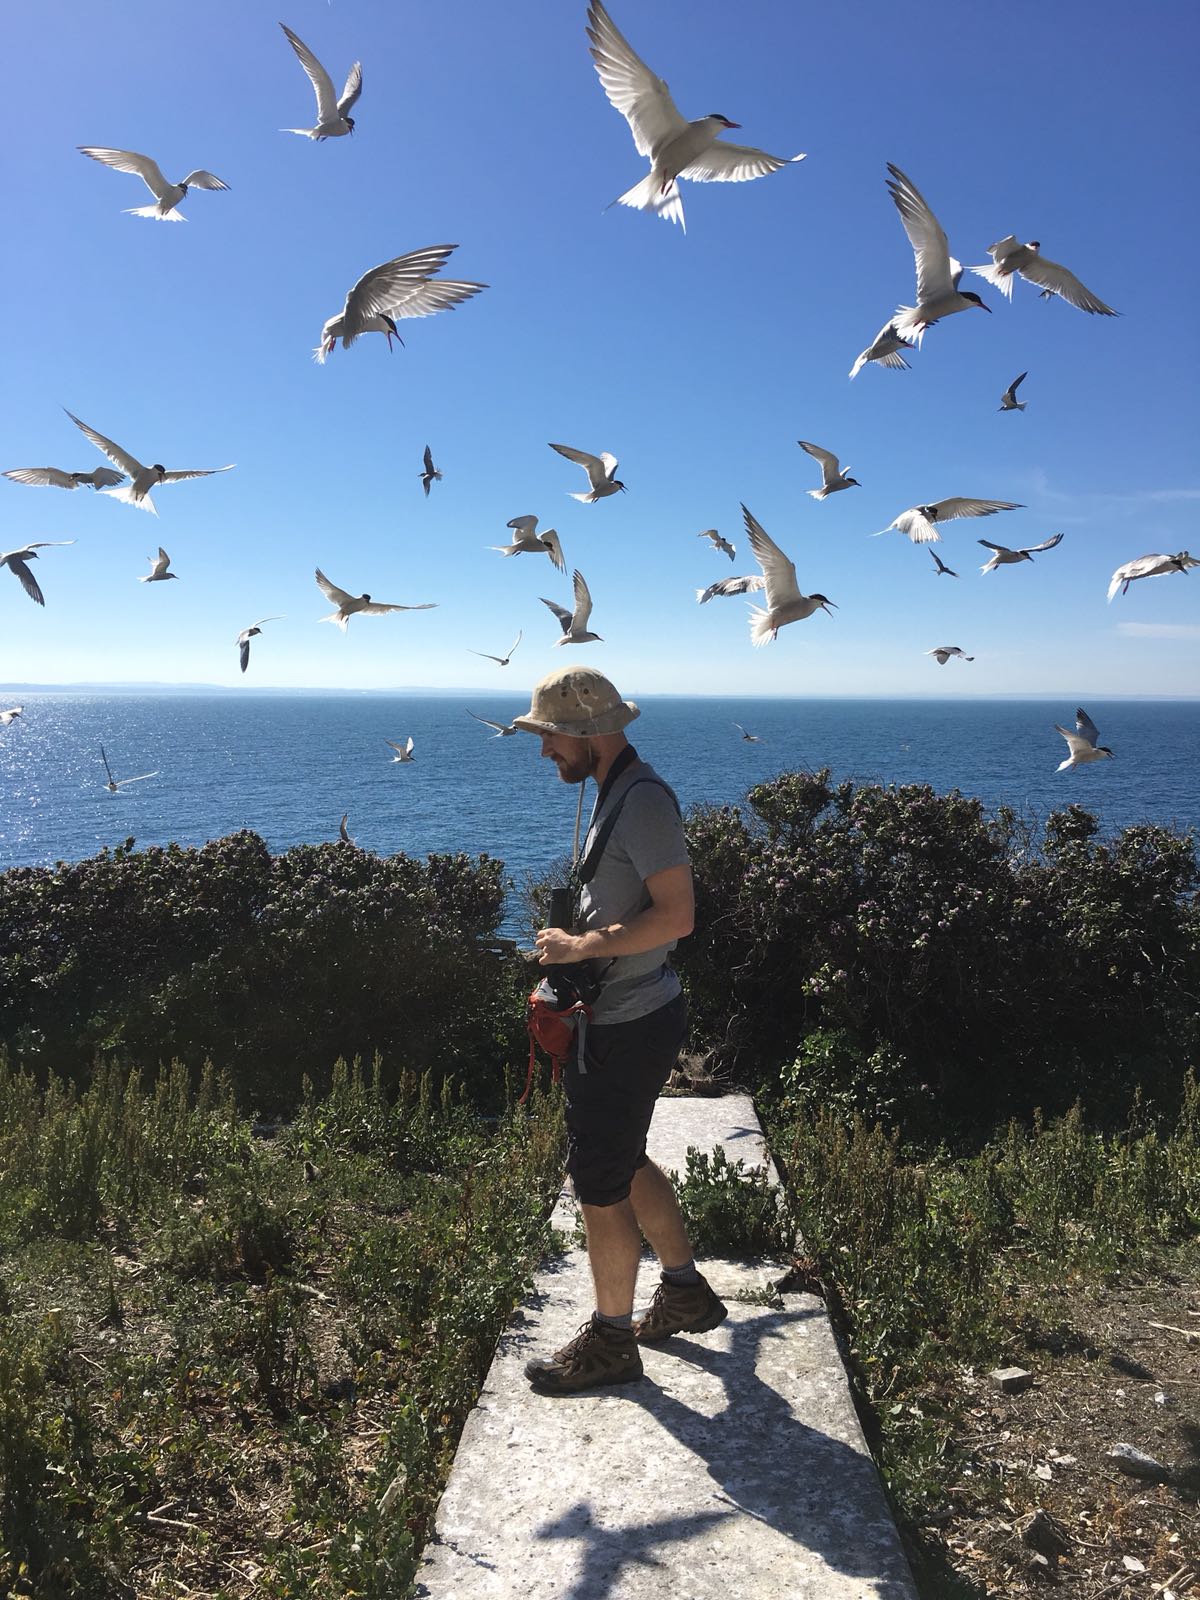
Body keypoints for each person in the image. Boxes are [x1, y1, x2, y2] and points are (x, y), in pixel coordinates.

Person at [512, 664, 727, 1394]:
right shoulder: (616, 790)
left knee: (598, 1181)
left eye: (549, 737)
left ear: (583, 732)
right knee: (622, 1158)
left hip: (629, 1022)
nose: (544, 752)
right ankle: (685, 1292)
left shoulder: (642, 802)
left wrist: (582, 949)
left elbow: (677, 916)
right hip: (624, 1014)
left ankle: (611, 1341)